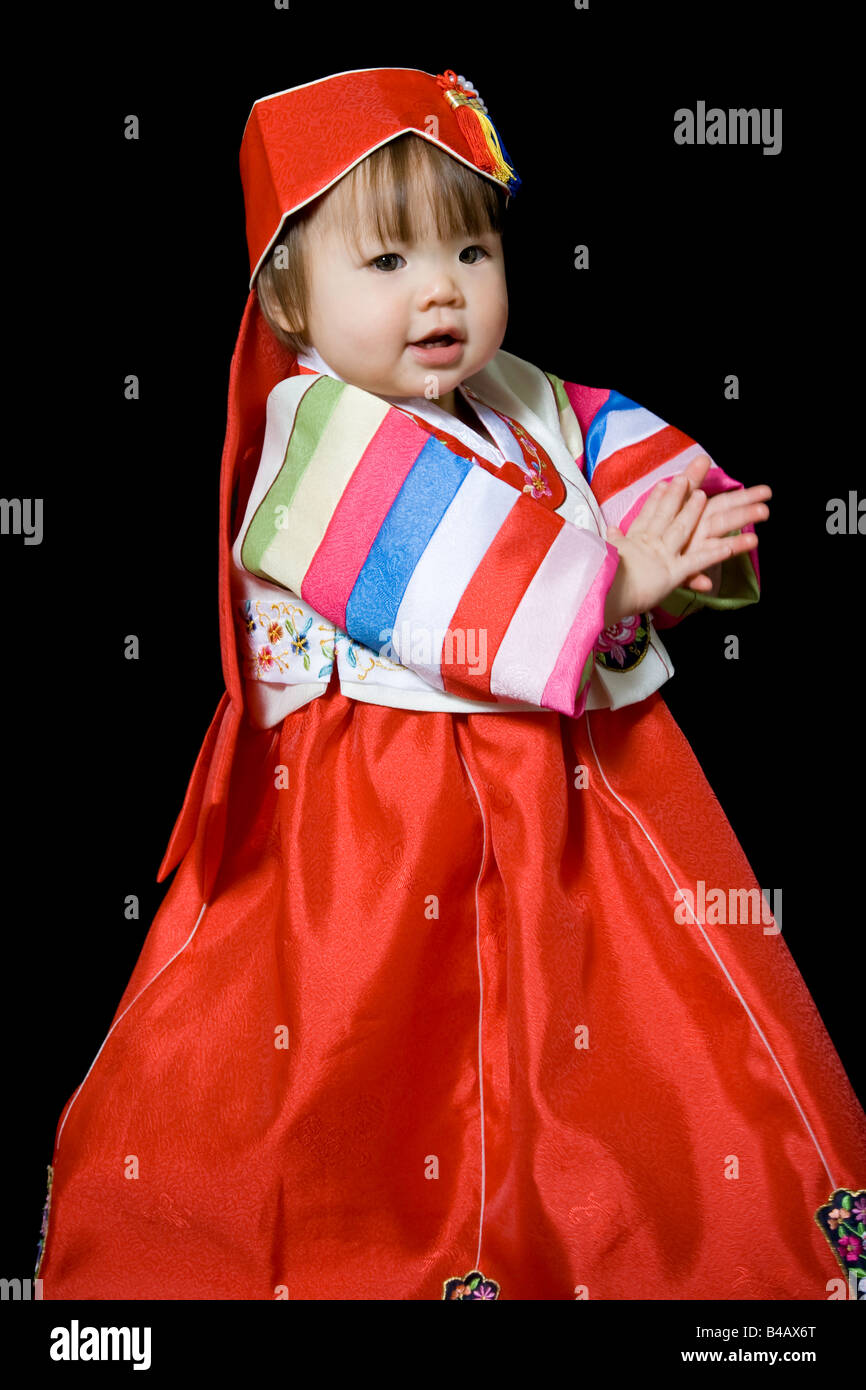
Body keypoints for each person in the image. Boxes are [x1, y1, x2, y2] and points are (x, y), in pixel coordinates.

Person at [36, 67, 865, 1301]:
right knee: (369, 1060)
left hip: (571, 801)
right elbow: (432, 559)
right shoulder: (307, 438)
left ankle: (623, 1237)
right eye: (385, 264)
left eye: (470, 249)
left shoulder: (515, 395)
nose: (442, 291)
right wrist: (609, 586)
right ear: (288, 300)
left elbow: (600, 441)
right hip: (376, 823)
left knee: (617, 1045)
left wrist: (669, 517)